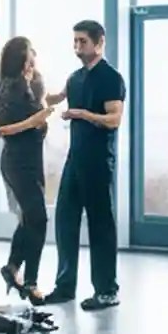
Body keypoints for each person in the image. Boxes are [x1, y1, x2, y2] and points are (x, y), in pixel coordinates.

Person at [44, 20, 126, 311]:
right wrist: (33, 86)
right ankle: (65, 287)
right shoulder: (75, 78)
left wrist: (84, 114)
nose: (77, 47)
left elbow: (114, 119)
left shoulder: (110, 78)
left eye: (82, 41)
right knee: (65, 220)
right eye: (75, 41)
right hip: (74, 159)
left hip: (98, 161)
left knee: (101, 225)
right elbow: (54, 97)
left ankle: (107, 291)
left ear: (99, 42)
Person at [0, 36, 54, 306]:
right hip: (17, 162)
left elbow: (37, 101)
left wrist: (59, 96)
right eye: (31, 54)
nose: (34, 58)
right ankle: (31, 282)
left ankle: (12, 268)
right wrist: (36, 120)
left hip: (30, 160)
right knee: (38, 219)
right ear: (21, 57)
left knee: (29, 219)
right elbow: (2, 129)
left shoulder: (29, 82)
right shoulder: (10, 86)